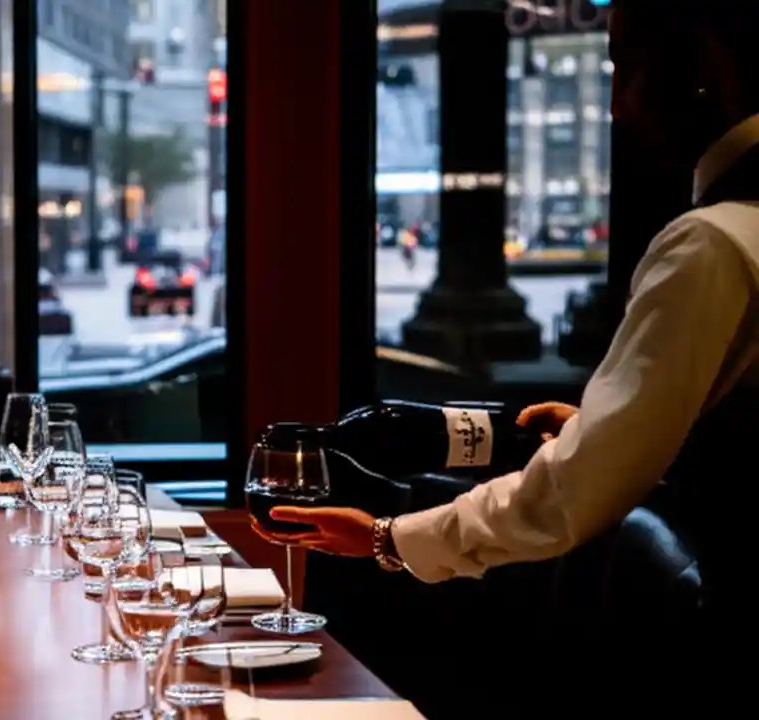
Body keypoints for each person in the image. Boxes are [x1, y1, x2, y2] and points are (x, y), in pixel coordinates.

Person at [264, 0, 759, 617]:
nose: (614, 108)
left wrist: (385, 538)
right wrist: (603, 428)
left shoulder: (713, 244)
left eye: (622, 69)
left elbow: (573, 495)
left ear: (701, 66)